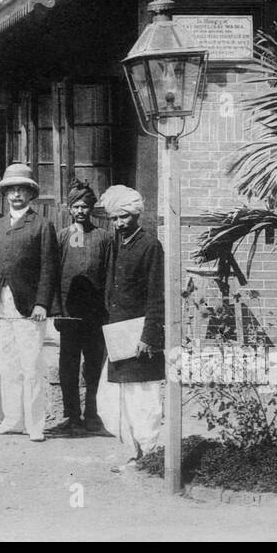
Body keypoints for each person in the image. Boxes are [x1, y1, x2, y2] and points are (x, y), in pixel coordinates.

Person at [0, 163, 59, 443]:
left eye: (22, 190)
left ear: (31, 194)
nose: (16, 195)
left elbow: (49, 268)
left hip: (28, 309)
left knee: (31, 367)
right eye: (11, 190)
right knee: (6, 366)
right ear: (5, 194)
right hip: (1, 306)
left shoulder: (42, 225)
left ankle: (35, 425)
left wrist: (42, 304)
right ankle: (12, 420)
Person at [95, 185, 165, 471]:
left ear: (136, 215)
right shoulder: (115, 244)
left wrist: (149, 336)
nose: (120, 223)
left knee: (142, 400)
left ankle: (149, 455)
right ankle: (135, 452)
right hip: (117, 334)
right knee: (112, 400)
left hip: (139, 337)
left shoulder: (150, 246)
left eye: (124, 217)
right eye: (114, 219)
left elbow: (157, 295)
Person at [49, 180, 112, 436]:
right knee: (68, 365)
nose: (81, 211)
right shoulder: (62, 236)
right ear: (69, 209)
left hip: (95, 314)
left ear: (92, 208)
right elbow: (53, 273)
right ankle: (71, 415)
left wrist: (108, 310)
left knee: (94, 364)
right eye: (76, 206)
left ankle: (92, 414)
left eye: (85, 206)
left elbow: (109, 275)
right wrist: (56, 309)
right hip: (69, 312)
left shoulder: (104, 237)